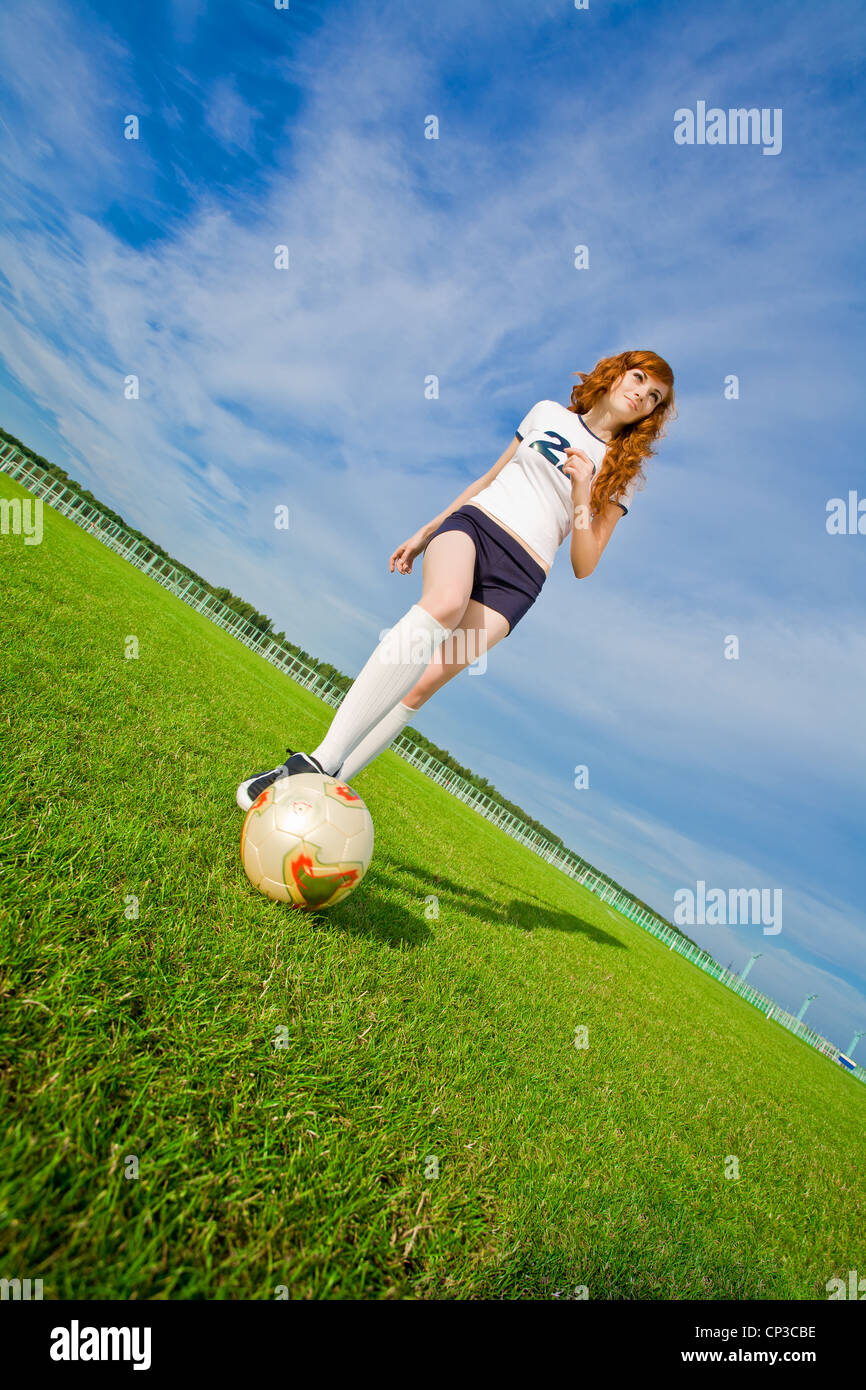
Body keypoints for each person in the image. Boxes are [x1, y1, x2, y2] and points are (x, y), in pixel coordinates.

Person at [237, 348, 675, 809]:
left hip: (521, 577)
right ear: (617, 373)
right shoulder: (547, 413)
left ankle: (326, 793)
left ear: (651, 413)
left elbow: (584, 565)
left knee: (424, 684)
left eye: (653, 397)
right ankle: (321, 761)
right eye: (639, 378)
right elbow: (488, 478)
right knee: (444, 604)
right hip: (478, 525)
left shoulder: (619, 473)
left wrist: (584, 489)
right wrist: (427, 530)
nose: (641, 394)